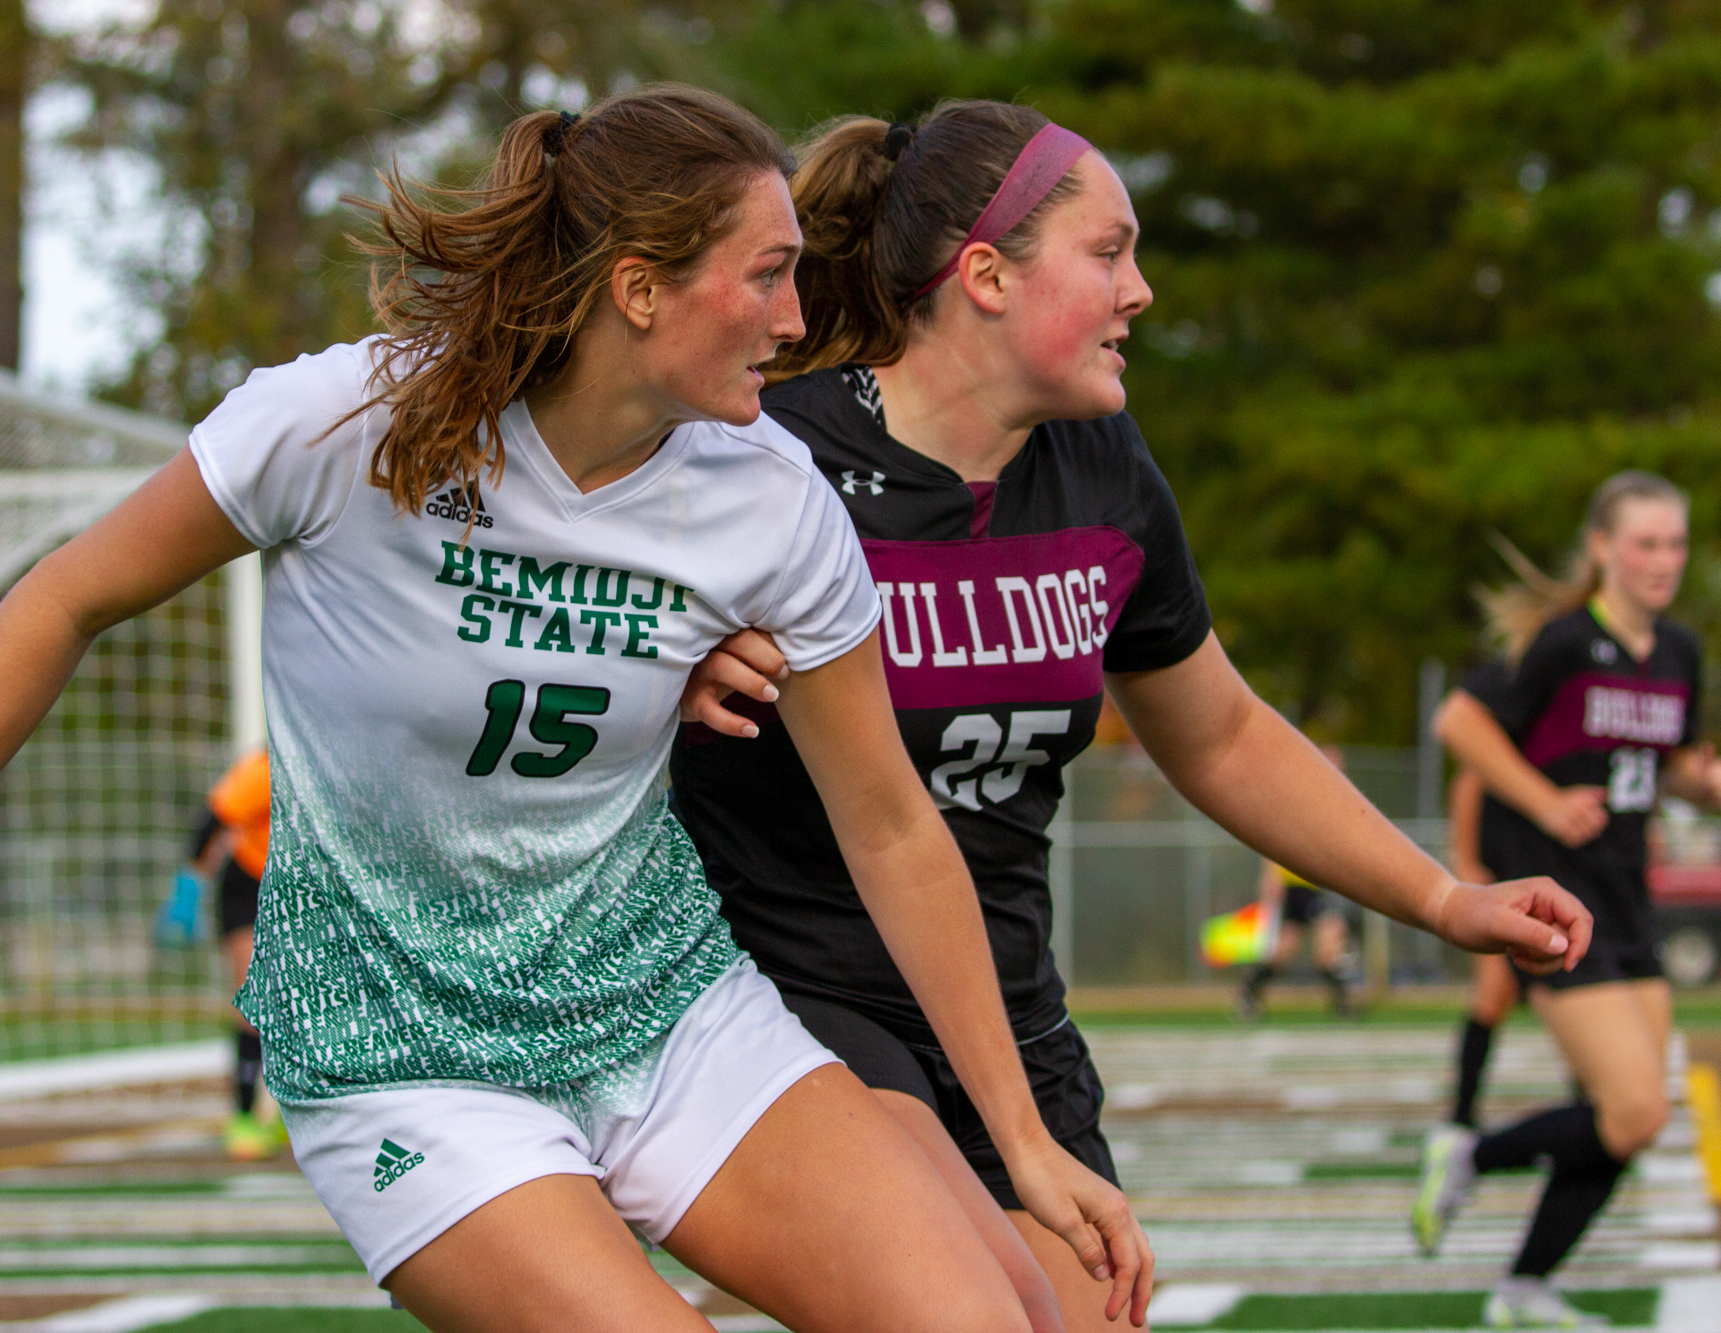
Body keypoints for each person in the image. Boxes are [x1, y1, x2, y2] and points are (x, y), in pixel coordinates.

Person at [0, 85, 1170, 1333]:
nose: (801, 324)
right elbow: (58, 599)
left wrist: (1022, 1142)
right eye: (768, 278)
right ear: (638, 290)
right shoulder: (344, 426)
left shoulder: (766, 499)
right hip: (405, 1055)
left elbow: (893, 831)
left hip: (664, 1013)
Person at [668, 100, 1593, 1333]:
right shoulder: (767, 455)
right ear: (985, 276)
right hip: (791, 1004)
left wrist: (1441, 899)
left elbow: (1217, 733)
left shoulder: (1102, 470)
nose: (1140, 291)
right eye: (1108, 252)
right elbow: (524, 583)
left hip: (1007, 1013)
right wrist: (651, 650)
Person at [1418, 471, 1721, 1328]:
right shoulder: (1561, 642)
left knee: (1623, 1121)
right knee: (1635, 1108)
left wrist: (1706, 785)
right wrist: (1546, 801)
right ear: (1602, 548)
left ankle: (1521, 1288)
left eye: (1674, 542)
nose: (1662, 559)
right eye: (1645, 542)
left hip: (1630, 899)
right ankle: (1471, 1153)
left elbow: (1673, 772)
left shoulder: (1679, 652)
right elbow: (1460, 726)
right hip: (1559, 900)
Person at [185, 746, 280, 1160]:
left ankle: (295, 1108)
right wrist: (189, 885)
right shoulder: (265, 769)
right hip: (248, 886)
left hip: (300, 888)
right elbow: (212, 821)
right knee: (251, 1001)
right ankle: (242, 1116)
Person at [1238, 747, 1363, 1020]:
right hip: (1295, 883)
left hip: (1318, 884)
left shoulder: (1338, 802)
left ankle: (1344, 1004)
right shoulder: (1301, 796)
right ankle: (1248, 996)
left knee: (1329, 944)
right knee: (1283, 952)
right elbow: (1272, 836)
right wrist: (1270, 875)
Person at [1445, 759, 1522, 1132]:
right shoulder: (1504, 729)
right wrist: (1466, 862)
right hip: (1501, 880)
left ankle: (1592, 1103)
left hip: (1546, 876)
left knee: (1573, 997)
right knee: (1492, 997)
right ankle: (1461, 1114)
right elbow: (1469, 781)